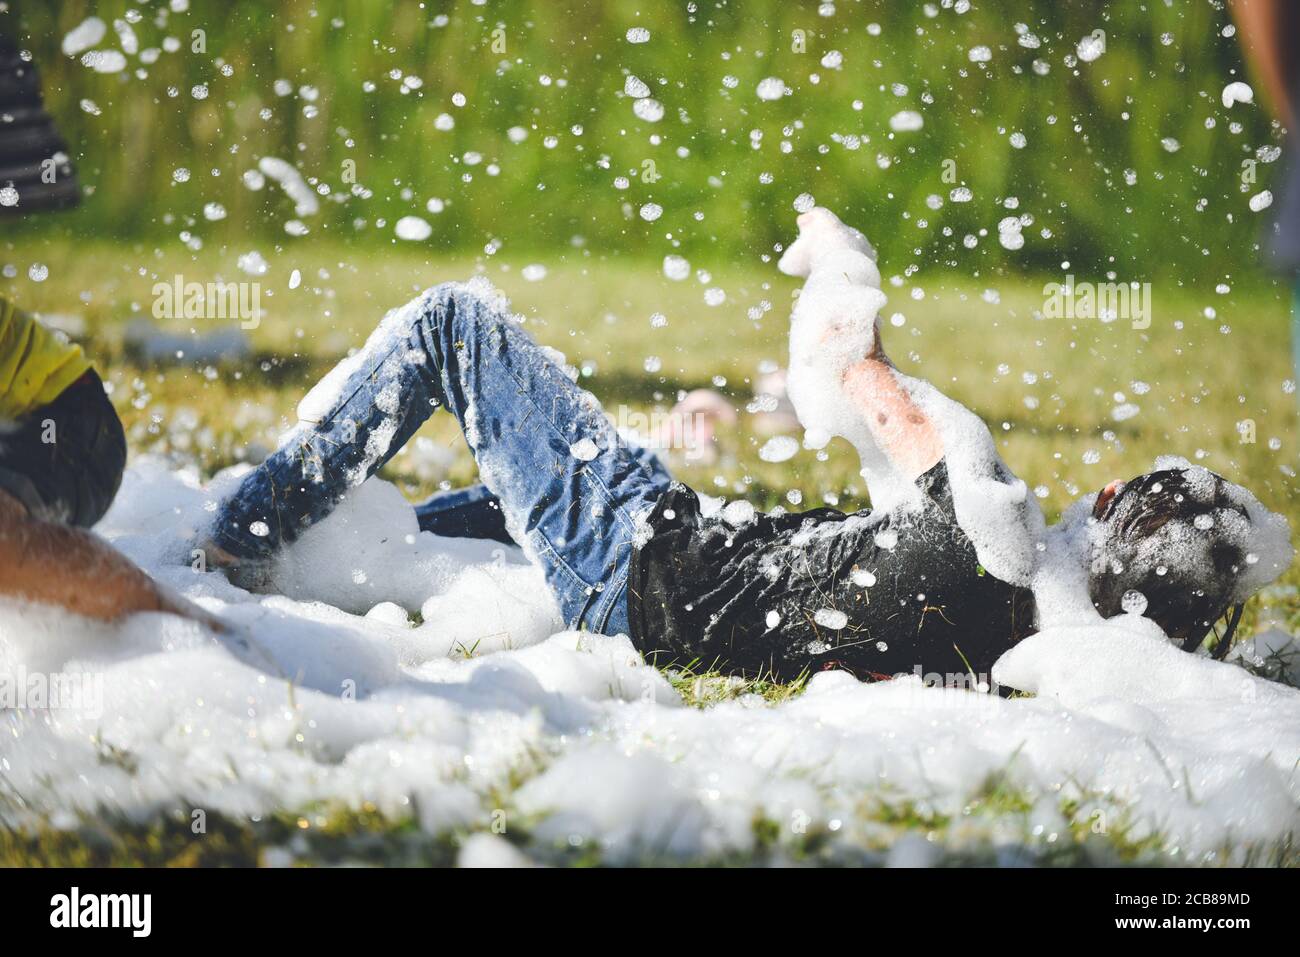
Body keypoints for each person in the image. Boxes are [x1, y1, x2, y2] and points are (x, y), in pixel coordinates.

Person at [205, 214, 1291, 684]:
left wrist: (838, 254)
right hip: (679, 590)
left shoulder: (995, 533)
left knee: (455, 322)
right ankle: (306, 579)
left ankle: (224, 543)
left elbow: (859, 371)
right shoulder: (1039, 636)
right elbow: (894, 420)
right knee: (475, 517)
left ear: (1110, 503)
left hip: (648, 575)